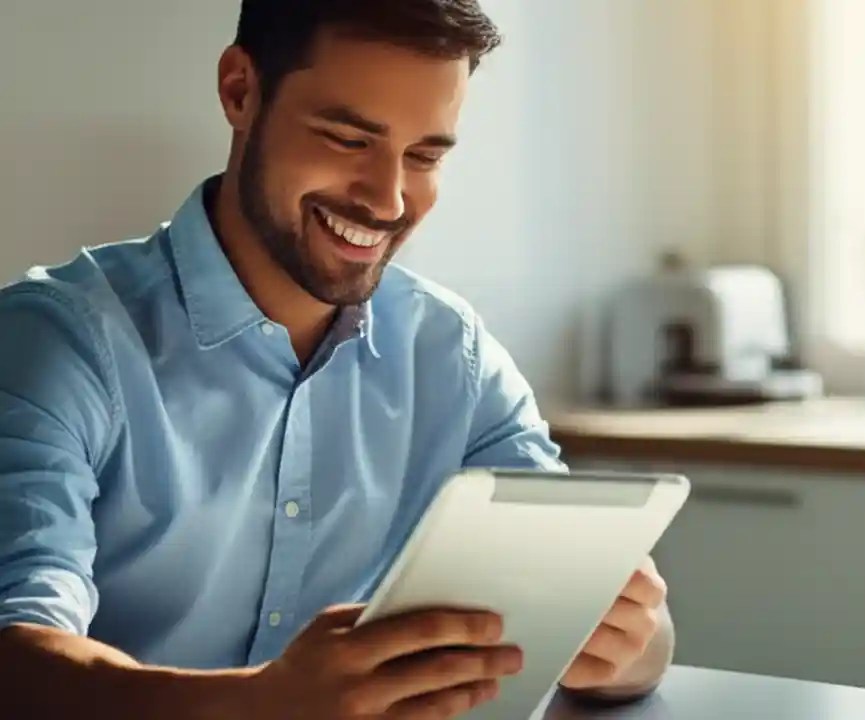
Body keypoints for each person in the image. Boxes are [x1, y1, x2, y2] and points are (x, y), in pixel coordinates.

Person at [0, 1, 675, 718]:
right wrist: (257, 707)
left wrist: (626, 640)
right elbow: (15, 654)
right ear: (240, 90)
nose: (388, 199)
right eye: (349, 139)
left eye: (425, 156)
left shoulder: (453, 356)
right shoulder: (54, 341)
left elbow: (634, 639)